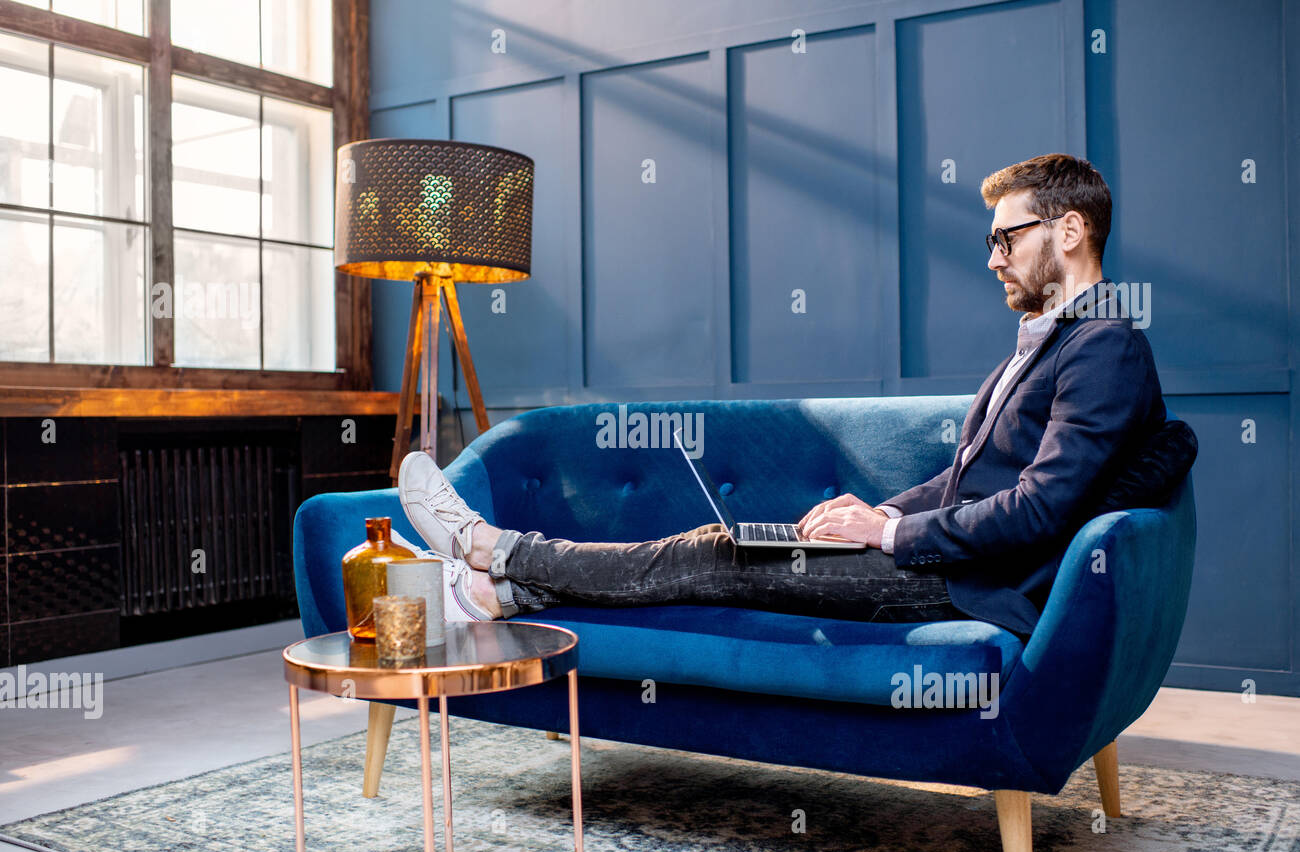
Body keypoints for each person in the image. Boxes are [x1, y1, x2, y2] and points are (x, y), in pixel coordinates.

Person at [398, 153, 1166, 639]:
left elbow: (1041, 508)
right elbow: (965, 476)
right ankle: (494, 592)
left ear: (1069, 230)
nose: (993, 257)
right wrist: (880, 514)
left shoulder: (1106, 345)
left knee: (719, 550)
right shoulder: (1046, 340)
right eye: (991, 240)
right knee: (734, 543)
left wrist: (890, 537)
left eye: (1009, 237)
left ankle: (490, 550)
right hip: (940, 560)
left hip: (971, 587)